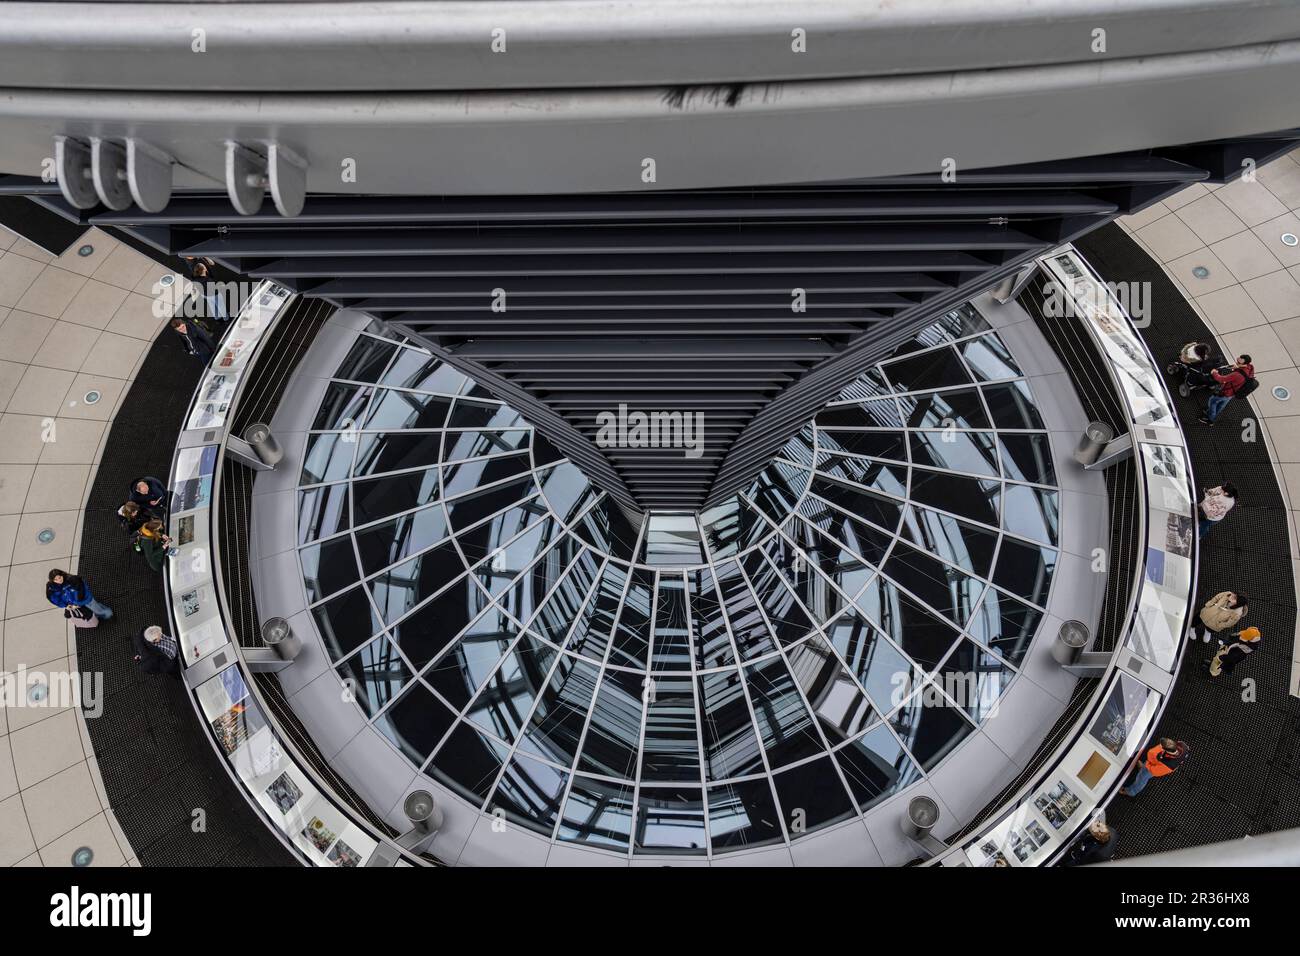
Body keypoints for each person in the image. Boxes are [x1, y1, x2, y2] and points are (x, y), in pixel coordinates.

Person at [1198, 354, 1256, 425]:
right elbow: (1244, 374)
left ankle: (1210, 419)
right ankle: (1213, 414)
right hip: (1234, 392)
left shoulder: (1236, 375)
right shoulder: (1250, 367)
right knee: (1221, 405)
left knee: (1212, 401)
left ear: (1244, 363)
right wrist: (1237, 367)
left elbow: (1221, 379)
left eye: (1239, 361)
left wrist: (1214, 373)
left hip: (1226, 392)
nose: (1236, 362)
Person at [1120, 738, 1188, 797]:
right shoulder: (1182, 744)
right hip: (1157, 762)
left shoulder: (1168, 765)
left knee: (1142, 777)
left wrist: (1147, 764)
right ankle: (1142, 767)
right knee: (1145, 768)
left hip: (1155, 768)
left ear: (1166, 750)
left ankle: (1131, 792)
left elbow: (1153, 771)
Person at [45, 568, 113, 620]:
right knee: (92, 610)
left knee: (96, 609)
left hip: (84, 600)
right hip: (74, 604)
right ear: (52, 580)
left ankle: (107, 615)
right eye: (55, 580)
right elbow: (53, 598)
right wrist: (66, 605)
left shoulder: (72, 580)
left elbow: (83, 591)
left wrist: (76, 603)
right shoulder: (52, 587)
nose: (59, 581)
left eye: (59, 577)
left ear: (62, 575)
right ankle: (100, 613)